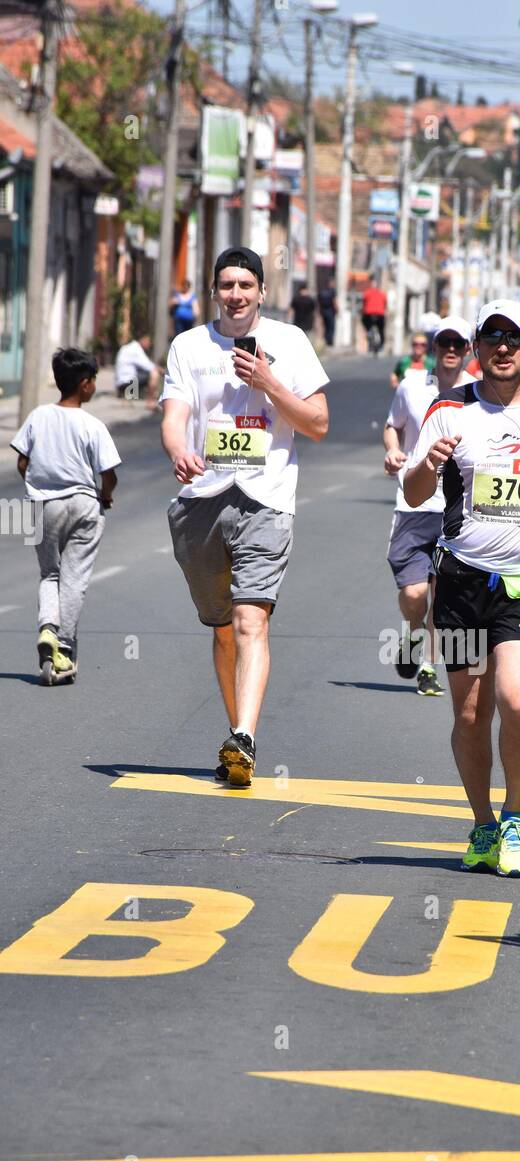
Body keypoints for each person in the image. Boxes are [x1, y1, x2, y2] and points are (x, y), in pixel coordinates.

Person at [403, 299, 520, 878]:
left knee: (517, 701)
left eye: (515, 338)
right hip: (462, 582)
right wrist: (427, 464)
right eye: (492, 338)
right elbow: (415, 494)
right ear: (478, 348)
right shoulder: (449, 410)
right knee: (468, 714)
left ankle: (516, 814)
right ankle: (484, 823)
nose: (503, 348)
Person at [160, 245, 329, 787]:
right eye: (226, 285)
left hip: (267, 498)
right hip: (202, 500)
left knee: (251, 619)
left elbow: (319, 423)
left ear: (262, 292)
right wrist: (176, 451)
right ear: (215, 292)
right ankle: (237, 728)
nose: (236, 295)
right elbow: (175, 415)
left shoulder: (290, 343)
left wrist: (270, 384)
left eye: (245, 286)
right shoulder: (189, 345)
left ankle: (245, 739)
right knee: (222, 626)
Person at [11, 348, 120, 684]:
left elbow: (21, 463)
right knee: (74, 579)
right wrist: (106, 495)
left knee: (49, 574)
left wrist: (38, 486)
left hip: (43, 506)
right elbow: (108, 473)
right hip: (85, 505)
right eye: (93, 381)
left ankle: (47, 627)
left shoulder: (38, 416)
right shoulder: (92, 424)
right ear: (85, 384)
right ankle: (64, 648)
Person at [382, 315, 475, 698]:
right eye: (444, 343)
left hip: (459, 508)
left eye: (458, 344)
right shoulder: (412, 386)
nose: (450, 350)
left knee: (445, 593)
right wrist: (393, 450)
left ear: (469, 349)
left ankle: (427, 666)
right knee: (415, 594)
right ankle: (413, 632)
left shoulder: (480, 392)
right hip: (414, 504)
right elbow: (393, 424)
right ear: (433, 346)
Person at [115, 331, 162, 407]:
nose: (149, 344)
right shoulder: (136, 349)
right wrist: (162, 371)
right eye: (148, 341)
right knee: (154, 373)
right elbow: (149, 366)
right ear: (142, 339)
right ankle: (150, 402)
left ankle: (128, 398)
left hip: (120, 382)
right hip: (128, 382)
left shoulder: (127, 347)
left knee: (144, 373)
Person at [361, 283, 387, 353]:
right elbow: (385, 304)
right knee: (381, 330)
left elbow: (364, 302)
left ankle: (368, 331)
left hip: (369, 314)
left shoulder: (367, 293)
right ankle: (381, 345)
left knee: (364, 321)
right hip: (380, 314)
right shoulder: (382, 293)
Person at [317, 280, 338, 347]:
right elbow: (334, 301)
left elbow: (318, 303)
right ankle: (330, 341)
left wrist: (319, 312)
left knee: (325, 326)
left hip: (323, 311)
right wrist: (337, 309)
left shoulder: (321, 292)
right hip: (330, 311)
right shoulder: (332, 291)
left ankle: (326, 340)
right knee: (331, 327)